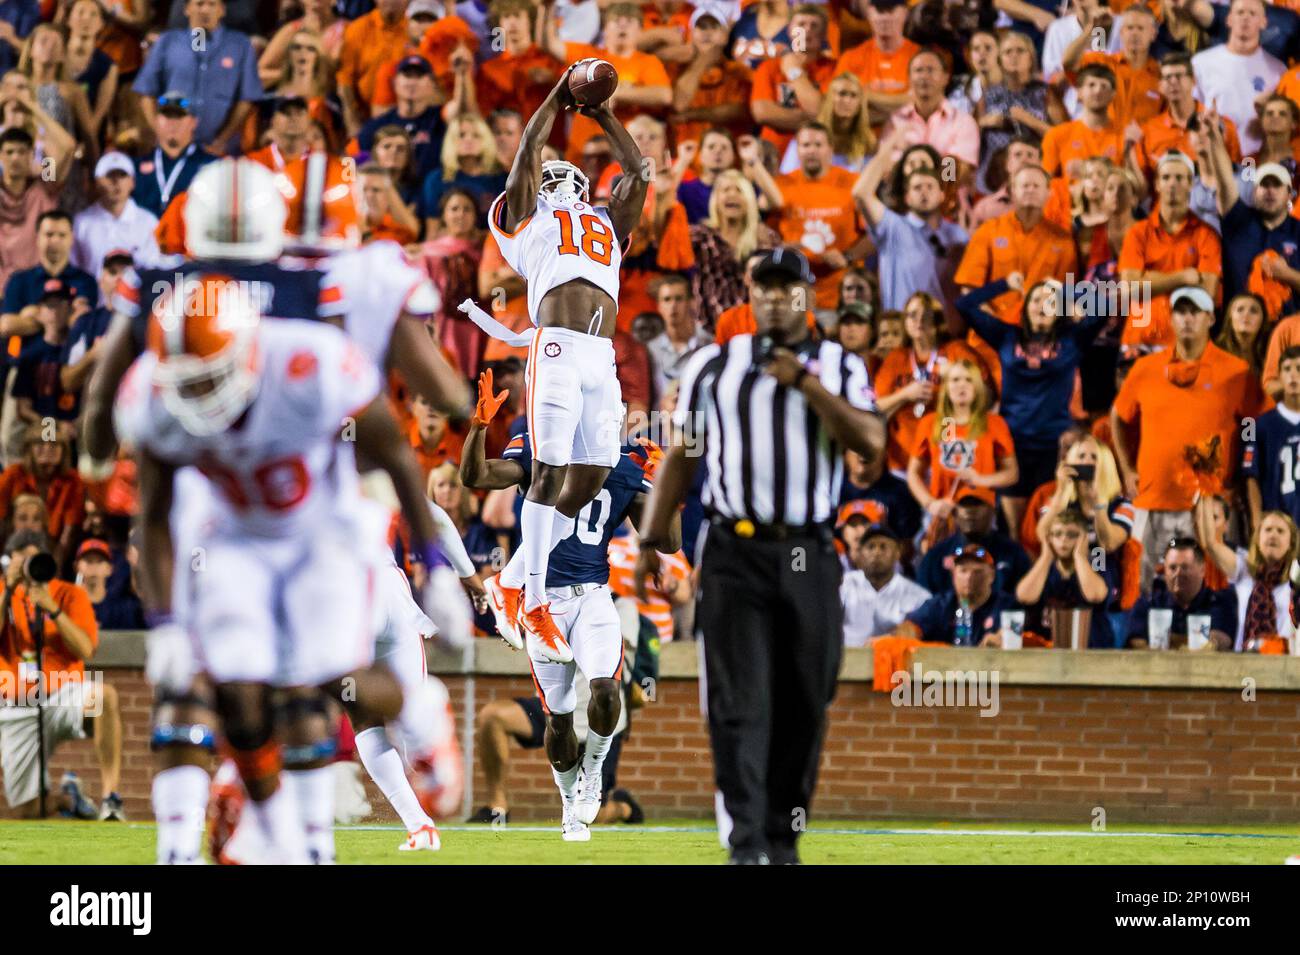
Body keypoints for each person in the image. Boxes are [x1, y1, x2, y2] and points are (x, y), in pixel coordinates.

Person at [635, 246, 882, 864]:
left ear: (808, 296)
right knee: (739, 701)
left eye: (787, 287)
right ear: (750, 295)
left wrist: (804, 384)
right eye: (763, 287)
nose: (774, 298)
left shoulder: (840, 366)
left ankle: (782, 835)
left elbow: (871, 443)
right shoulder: (713, 365)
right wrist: (648, 539)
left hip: (809, 550)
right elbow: (683, 455)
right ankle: (747, 844)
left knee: (806, 698)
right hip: (732, 550)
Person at [478, 69, 646, 667]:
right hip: (556, 345)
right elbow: (529, 150)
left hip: (602, 355)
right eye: (554, 177)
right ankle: (537, 600)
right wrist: (559, 92)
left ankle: (513, 579)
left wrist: (598, 111)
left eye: (567, 176)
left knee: (596, 471)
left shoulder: (603, 222)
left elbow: (639, 174)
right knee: (547, 471)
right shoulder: (527, 219)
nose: (562, 181)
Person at [460, 370, 672, 839]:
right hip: (544, 602)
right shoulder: (542, 450)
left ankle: (593, 771)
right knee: (558, 718)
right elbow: (475, 476)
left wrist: (665, 484)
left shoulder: (626, 465)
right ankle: (567, 802)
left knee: (605, 691)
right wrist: (477, 429)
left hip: (594, 596)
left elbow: (666, 540)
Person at [1111, 286, 1268, 588]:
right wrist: (1127, 469)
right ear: (1170, 319)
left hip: (1211, 504)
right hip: (1151, 498)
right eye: (1180, 312)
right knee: (1143, 593)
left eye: (1195, 311)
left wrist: (1239, 474)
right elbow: (1118, 415)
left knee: (1216, 592)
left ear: (1210, 318)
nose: (1187, 319)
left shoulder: (1235, 371)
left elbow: (1254, 425)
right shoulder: (1145, 368)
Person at [956, 271, 1105, 531]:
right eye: (1036, 299)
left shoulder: (1072, 339)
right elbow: (964, 305)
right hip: (1013, 444)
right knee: (1014, 529)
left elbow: (1104, 305)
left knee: (1048, 524)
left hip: (1054, 446)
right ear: (1025, 307)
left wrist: (1066, 291)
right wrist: (1004, 284)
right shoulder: (1007, 336)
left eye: (1050, 300)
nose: (1042, 305)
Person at [0, 527, 124, 820]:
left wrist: (52, 608)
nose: (29, 567)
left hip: (63, 691)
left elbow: (85, 649)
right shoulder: (2, 591)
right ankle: (67, 799)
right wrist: (7, 590)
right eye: (22, 560)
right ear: (9, 561)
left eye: (34, 559)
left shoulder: (69, 593)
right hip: (16, 699)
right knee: (26, 811)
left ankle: (111, 799)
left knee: (103, 696)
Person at [854, 126, 969, 314]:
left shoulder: (957, 233)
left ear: (941, 193)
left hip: (943, 332)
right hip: (900, 329)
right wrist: (890, 144)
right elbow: (861, 193)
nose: (924, 191)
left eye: (929, 186)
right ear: (907, 195)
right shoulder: (891, 225)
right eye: (916, 187)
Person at [132, 0, 264, 153]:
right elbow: (146, 92)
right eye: (200, 4)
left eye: (212, 4)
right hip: (173, 147)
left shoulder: (240, 45)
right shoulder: (167, 42)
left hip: (220, 150)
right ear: (187, 9)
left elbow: (247, 98)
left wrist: (222, 140)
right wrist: (160, 133)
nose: (205, 10)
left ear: (222, 10)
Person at [955, 164, 1078, 327]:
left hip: (1039, 339)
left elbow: (1066, 298)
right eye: (1025, 185)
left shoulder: (1063, 241)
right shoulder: (988, 231)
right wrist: (995, 328)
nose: (1030, 190)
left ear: (1049, 193)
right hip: (988, 337)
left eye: (1036, 186)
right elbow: (968, 288)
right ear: (1012, 192)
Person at [906, 360, 1019, 536]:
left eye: (968, 380)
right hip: (943, 513)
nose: (961, 385)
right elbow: (913, 472)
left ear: (977, 387)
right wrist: (930, 503)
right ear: (946, 386)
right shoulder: (937, 423)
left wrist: (980, 480)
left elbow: (1011, 473)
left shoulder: (993, 423)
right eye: (955, 379)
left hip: (980, 512)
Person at [1196, 498, 1297, 651]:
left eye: (1280, 531)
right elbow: (1210, 543)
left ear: (1291, 543)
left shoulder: (1296, 578)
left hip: (1283, 663)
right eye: (1268, 529)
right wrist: (1205, 492)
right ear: (1258, 538)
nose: (1273, 535)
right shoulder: (1244, 568)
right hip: (1244, 662)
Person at [1191, 0, 1284, 156]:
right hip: (1214, 154)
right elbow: (1192, 113)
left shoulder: (1278, 70)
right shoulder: (1201, 62)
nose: (1245, 18)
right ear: (1229, 19)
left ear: (1263, 22)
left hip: (1255, 158)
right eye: (1240, 12)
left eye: (1252, 13)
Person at [1014, 507, 1113, 647]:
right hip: (1047, 649)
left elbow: (1095, 595)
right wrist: (1045, 557)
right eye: (1057, 534)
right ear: (1049, 538)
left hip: (1092, 648)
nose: (1063, 540)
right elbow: (1024, 596)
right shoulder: (1044, 565)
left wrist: (1080, 557)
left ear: (1084, 537)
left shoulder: (1098, 556)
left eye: (1072, 535)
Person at [895, 544, 1018, 646]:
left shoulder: (1008, 605)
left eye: (978, 571)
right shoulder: (940, 605)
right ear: (953, 574)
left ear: (991, 575)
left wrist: (1002, 638)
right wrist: (910, 632)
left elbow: (1015, 638)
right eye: (963, 571)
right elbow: (909, 626)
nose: (969, 577)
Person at [1125, 539, 1237, 650]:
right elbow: (1135, 642)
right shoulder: (1149, 602)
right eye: (1172, 568)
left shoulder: (1220, 602)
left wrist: (1168, 641)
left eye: (1185, 567)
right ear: (1164, 570)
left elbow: (1220, 640)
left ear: (1202, 570)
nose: (1178, 574)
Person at [882, 47, 979, 171]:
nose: (924, 76)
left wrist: (925, 180)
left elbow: (955, 173)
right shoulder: (895, 121)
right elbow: (887, 170)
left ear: (946, 77)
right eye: (918, 70)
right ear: (909, 78)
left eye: (930, 70)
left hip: (946, 190)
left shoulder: (963, 122)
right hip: (905, 190)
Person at [917, 493, 1032, 596]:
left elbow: (1024, 603)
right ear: (954, 512)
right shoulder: (935, 557)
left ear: (993, 509)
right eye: (964, 505)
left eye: (977, 504)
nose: (970, 511)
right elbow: (921, 605)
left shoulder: (1014, 554)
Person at [130, 92, 218, 219]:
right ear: (156, 120)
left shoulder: (212, 167)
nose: (172, 123)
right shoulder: (134, 167)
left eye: (179, 116)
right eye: (167, 116)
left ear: (193, 122)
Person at [71, 152, 160, 275]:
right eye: (110, 175)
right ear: (97, 182)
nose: (116, 182)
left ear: (132, 182)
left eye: (122, 175)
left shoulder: (149, 222)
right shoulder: (81, 223)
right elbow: (74, 270)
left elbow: (155, 269)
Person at [840, 523, 930, 645]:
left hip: (896, 661)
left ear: (898, 552)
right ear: (860, 554)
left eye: (883, 547)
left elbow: (922, 645)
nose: (877, 553)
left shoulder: (918, 595)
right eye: (870, 547)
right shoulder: (843, 586)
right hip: (848, 660)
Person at [1243, 344, 1300, 530]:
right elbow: (1251, 476)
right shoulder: (1258, 424)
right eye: (1287, 369)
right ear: (1279, 377)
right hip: (1276, 526)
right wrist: (1257, 519)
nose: (1293, 375)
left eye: (1299, 369)